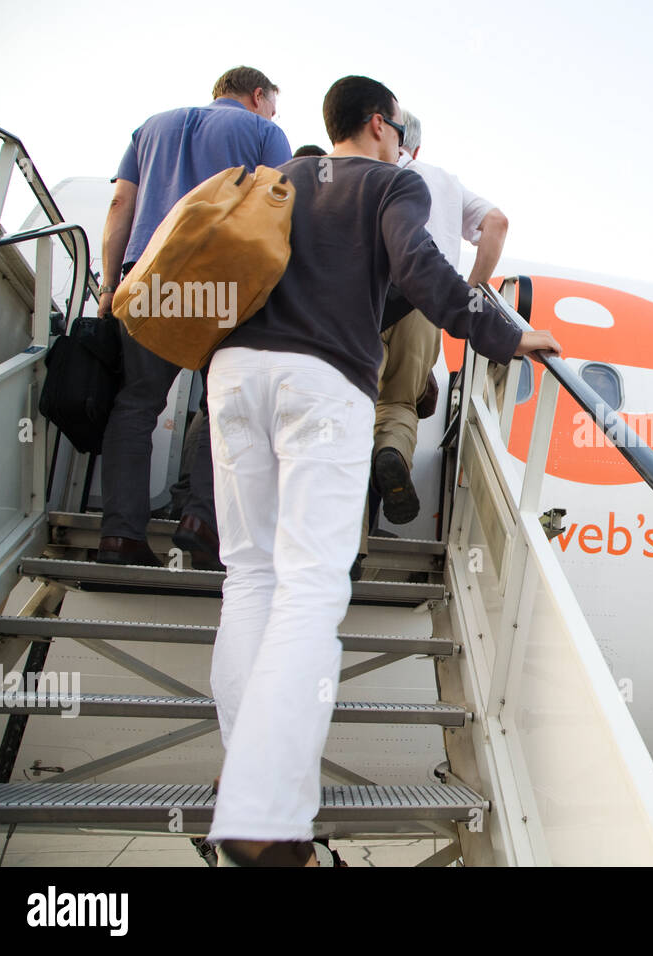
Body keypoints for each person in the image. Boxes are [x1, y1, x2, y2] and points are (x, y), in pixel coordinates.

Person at [204, 75, 559, 866]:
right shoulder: (389, 181)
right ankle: (262, 815)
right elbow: (423, 268)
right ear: (377, 125)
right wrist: (502, 333)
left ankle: (247, 782)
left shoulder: (284, 177)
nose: (403, 143)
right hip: (319, 383)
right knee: (307, 588)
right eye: (399, 129)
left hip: (232, 379)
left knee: (249, 579)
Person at [96, 66, 292, 570]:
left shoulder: (151, 127)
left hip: (148, 273)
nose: (274, 112)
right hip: (221, 281)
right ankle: (200, 521)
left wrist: (109, 283)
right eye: (273, 102)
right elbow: (286, 211)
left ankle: (119, 537)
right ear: (257, 96)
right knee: (221, 403)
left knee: (136, 404)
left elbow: (121, 201)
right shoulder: (263, 132)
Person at [371, 108, 510, 524]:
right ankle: (394, 452)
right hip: (424, 304)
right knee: (399, 403)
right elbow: (497, 223)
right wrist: (470, 291)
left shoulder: (362, 170)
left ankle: (349, 540)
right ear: (416, 145)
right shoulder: (445, 182)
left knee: (354, 405)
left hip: (367, 300)